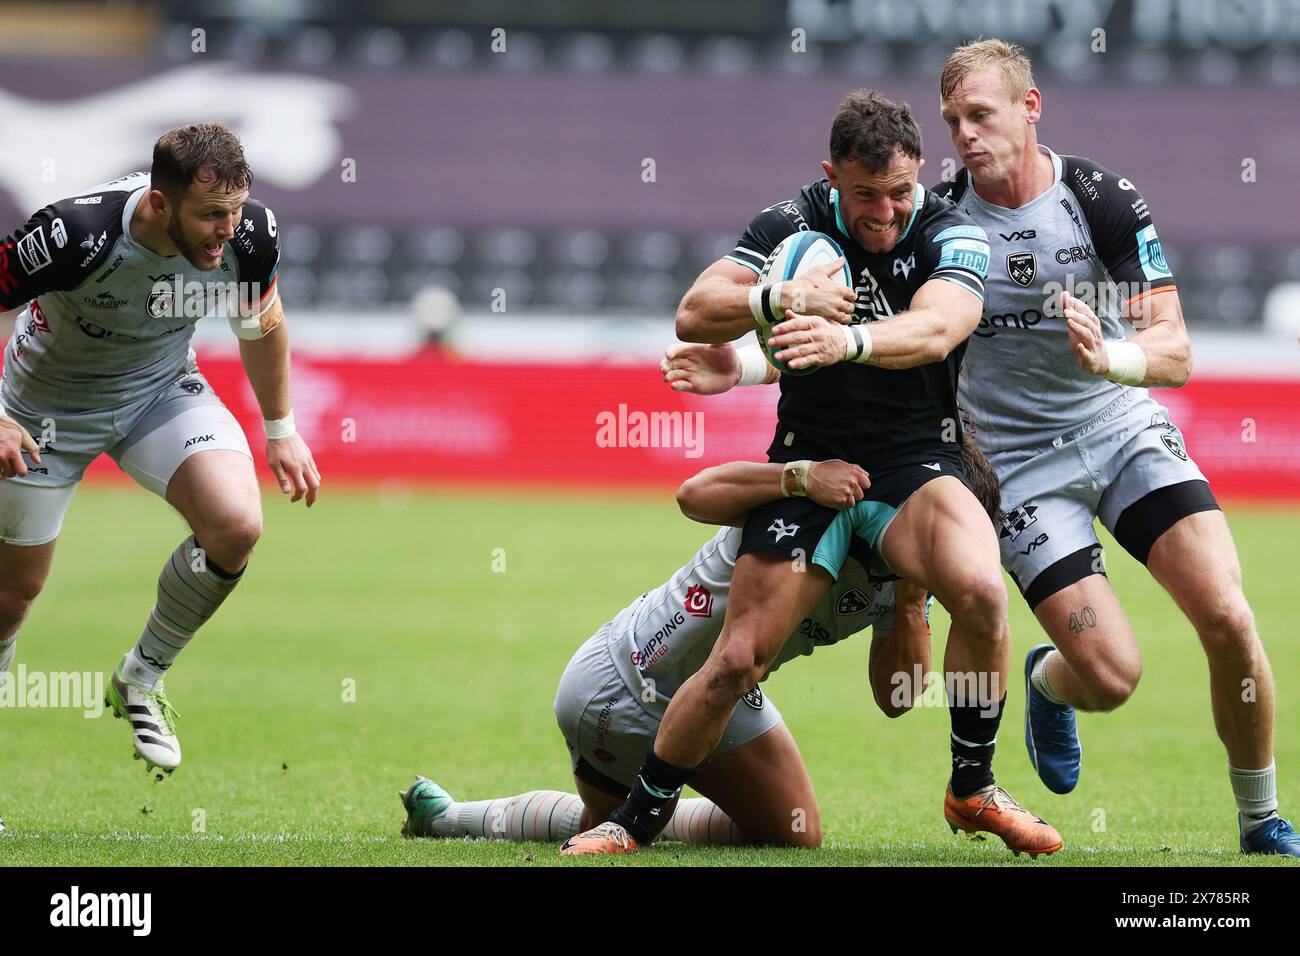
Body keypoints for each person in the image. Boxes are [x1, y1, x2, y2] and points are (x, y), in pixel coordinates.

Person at [562, 90, 1060, 857]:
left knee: (983, 591)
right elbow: (695, 313)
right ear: (832, 178)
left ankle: (972, 787)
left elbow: (941, 327)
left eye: (900, 191)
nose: (885, 213)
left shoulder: (950, 230)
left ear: (919, 172)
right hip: (809, 455)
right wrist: (780, 296)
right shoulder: (788, 224)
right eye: (865, 195)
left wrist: (847, 339)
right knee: (736, 661)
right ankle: (633, 823)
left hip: (915, 459)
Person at [931, 38, 1297, 856]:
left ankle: (1260, 820)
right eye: (953, 120)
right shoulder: (942, 220)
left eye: (981, 114)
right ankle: (1047, 680)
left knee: (1228, 616)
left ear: (1030, 108)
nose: (965, 135)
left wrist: (1113, 358)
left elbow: (1175, 348)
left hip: (1118, 425)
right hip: (1020, 469)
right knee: (1111, 677)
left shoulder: (1098, 198)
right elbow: (919, 350)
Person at [402, 436, 1001, 849]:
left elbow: (897, 698)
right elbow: (693, 492)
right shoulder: (826, 495)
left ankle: (645, 808)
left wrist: (912, 599)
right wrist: (796, 475)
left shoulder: (903, 577)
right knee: (603, 823)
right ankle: (455, 818)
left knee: (793, 834)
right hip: (629, 680)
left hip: (723, 691)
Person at [0, 122, 320, 775]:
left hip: (160, 392)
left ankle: (141, 677)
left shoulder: (250, 235)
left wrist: (281, 429)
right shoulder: (75, 233)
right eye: (210, 215)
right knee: (12, 597)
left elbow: (263, 324)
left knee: (236, 525)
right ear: (158, 203)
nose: (226, 229)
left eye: (234, 210)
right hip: (41, 413)